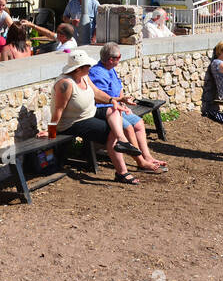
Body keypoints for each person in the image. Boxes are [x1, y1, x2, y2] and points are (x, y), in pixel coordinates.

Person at [46, 50, 139, 185]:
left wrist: (115, 100)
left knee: (113, 109)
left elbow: (96, 93)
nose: (90, 67)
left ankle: (122, 140)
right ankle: (122, 172)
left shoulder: (84, 77)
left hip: (89, 113)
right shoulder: (65, 84)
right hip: (73, 122)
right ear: (78, 69)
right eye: (87, 65)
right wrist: (51, 132)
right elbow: (57, 111)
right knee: (109, 132)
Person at [89, 42, 167, 173]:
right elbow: (100, 97)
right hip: (106, 109)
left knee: (139, 123)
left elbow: (118, 87)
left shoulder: (110, 69)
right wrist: (120, 102)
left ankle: (147, 157)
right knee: (129, 128)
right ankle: (140, 162)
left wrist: (123, 102)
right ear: (111, 59)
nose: (120, 60)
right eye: (119, 57)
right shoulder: (98, 73)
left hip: (117, 106)